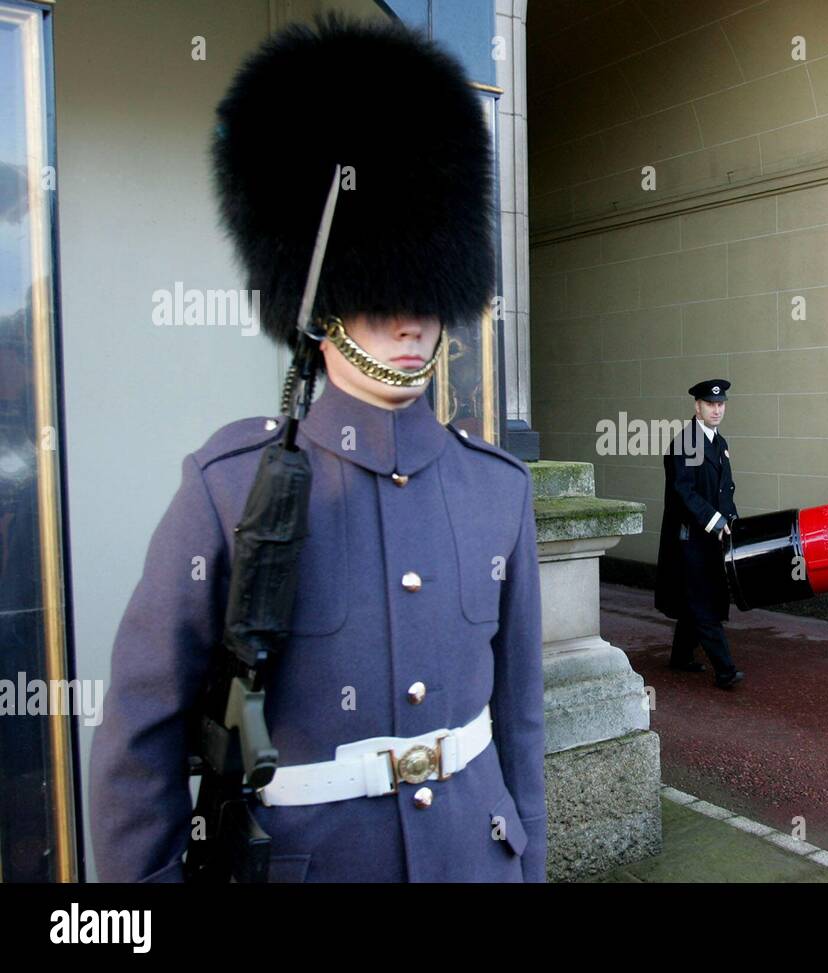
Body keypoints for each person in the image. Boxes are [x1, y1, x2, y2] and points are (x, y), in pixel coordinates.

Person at [90, 15, 546, 882]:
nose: (413, 322)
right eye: (379, 296)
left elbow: (520, 728)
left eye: (425, 294)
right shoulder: (229, 491)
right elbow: (138, 742)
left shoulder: (499, 491)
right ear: (322, 302)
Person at [655, 380, 743, 689]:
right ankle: (726, 670)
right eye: (710, 404)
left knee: (695, 598)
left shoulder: (719, 443)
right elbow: (684, 493)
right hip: (689, 539)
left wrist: (731, 520)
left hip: (711, 537)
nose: (717, 409)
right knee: (705, 603)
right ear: (697, 407)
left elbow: (725, 491)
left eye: (720, 404)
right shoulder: (686, 443)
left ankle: (680, 656)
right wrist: (717, 522)